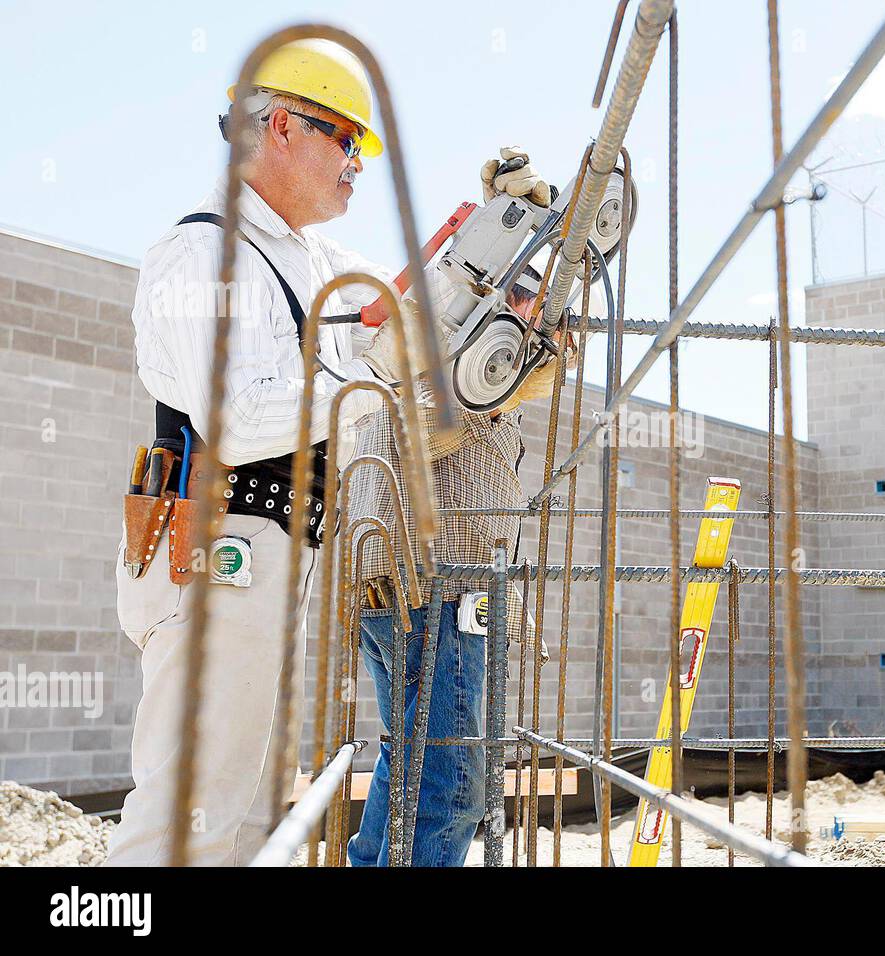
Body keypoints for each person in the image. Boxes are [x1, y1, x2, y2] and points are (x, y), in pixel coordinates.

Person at [109, 36, 548, 866]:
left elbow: (413, 300)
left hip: (271, 551)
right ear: (279, 126)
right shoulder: (201, 253)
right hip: (218, 541)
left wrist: (495, 230)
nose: (355, 162)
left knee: (232, 817)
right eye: (342, 138)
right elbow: (237, 420)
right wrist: (372, 382)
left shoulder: (311, 260)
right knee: (188, 810)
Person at [346, 222, 567, 865]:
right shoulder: (448, 363)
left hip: (422, 598)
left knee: (411, 758)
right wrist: (490, 393)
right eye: (524, 293)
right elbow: (409, 435)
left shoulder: (495, 374)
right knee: (454, 786)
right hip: (433, 596)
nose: (533, 313)